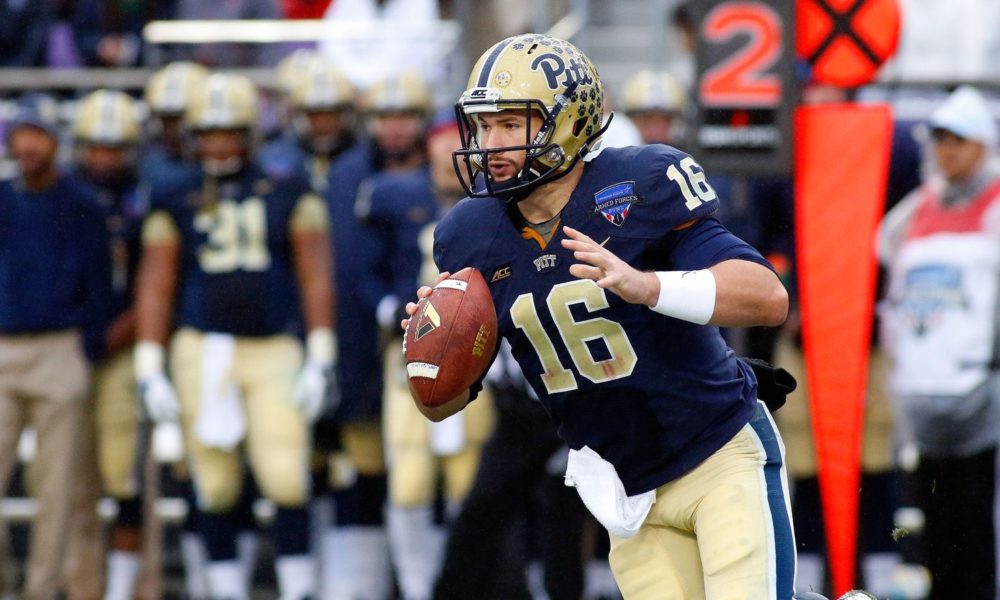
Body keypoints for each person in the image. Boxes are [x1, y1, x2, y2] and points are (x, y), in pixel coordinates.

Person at [402, 34, 795, 599]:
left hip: (718, 450)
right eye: (484, 126)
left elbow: (765, 296)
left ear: (568, 122)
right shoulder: (470, 233)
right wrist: (437, 346)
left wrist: (647, 286)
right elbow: (440, 406)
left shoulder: (639, 182)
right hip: (623, 485)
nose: (492, 143)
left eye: (512, 124)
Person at [133, 73, 334, 600]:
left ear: (249, 133)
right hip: (203, 348)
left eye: (228, 132)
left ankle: (299, 591)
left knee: (286, 478)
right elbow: (157, 282)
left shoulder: (287, 185)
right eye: (207, 132)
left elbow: (315, 273)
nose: (218, 144)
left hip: (273, 345)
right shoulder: (174, 192)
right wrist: (149, 366)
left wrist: (321, 354)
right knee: (215, 486)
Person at [879, 85, 1000, 600]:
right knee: (933, 525)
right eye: (941, 140)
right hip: (924, 395)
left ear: (983, 145)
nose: (948, 151)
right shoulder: (918, 210)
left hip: (984, 393)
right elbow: (885, 256)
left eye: (960, 141)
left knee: (979, 523)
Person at [319, 70, 431, 599]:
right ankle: (366, 585)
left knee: (448, 469)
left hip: (452, 337)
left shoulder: (448, 166)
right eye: (385, 117)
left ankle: (433, 584)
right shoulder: (350, 175)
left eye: (403, 116)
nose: (393, 129)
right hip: (372, 339)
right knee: (369, 463)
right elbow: (346, 267)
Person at [0, 93, 111, 600]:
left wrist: (83, 351)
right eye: (20, 133)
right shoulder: (2, 199)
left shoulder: (82, 207)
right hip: (4, 347)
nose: (27, 144)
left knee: (57, 488)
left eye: (36, 134)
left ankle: (43, 590)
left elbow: (100, 287)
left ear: (54, 142)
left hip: (58, 347)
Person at [70, 88, 150, 600]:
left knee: (124, 474)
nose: (104, 158)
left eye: (114, 147)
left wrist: (129, 327)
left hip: (123, 341)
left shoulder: (142, 198)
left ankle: (122, 591)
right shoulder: (64, 196)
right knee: (67, 478)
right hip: (67, 343)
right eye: (96, 147)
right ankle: (78, 585)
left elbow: (158, 273)